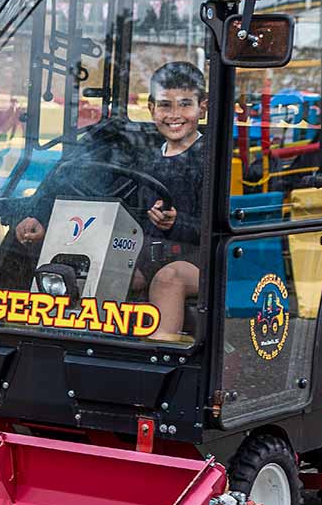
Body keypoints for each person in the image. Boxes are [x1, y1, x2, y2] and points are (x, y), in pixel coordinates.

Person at [13, 61, 206, 338]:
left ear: (203, 107)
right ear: (151, 108)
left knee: (169, 280)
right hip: (151, 254)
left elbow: (214, 227)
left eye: (185, 104)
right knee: (103, 272)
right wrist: (47, 225)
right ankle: (80, 345)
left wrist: (176, 224)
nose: (174, 115)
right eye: (165, 105)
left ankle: (160, 354)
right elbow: (113, 207)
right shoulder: (144, 154)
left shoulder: (210, 158)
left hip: (200, 260)